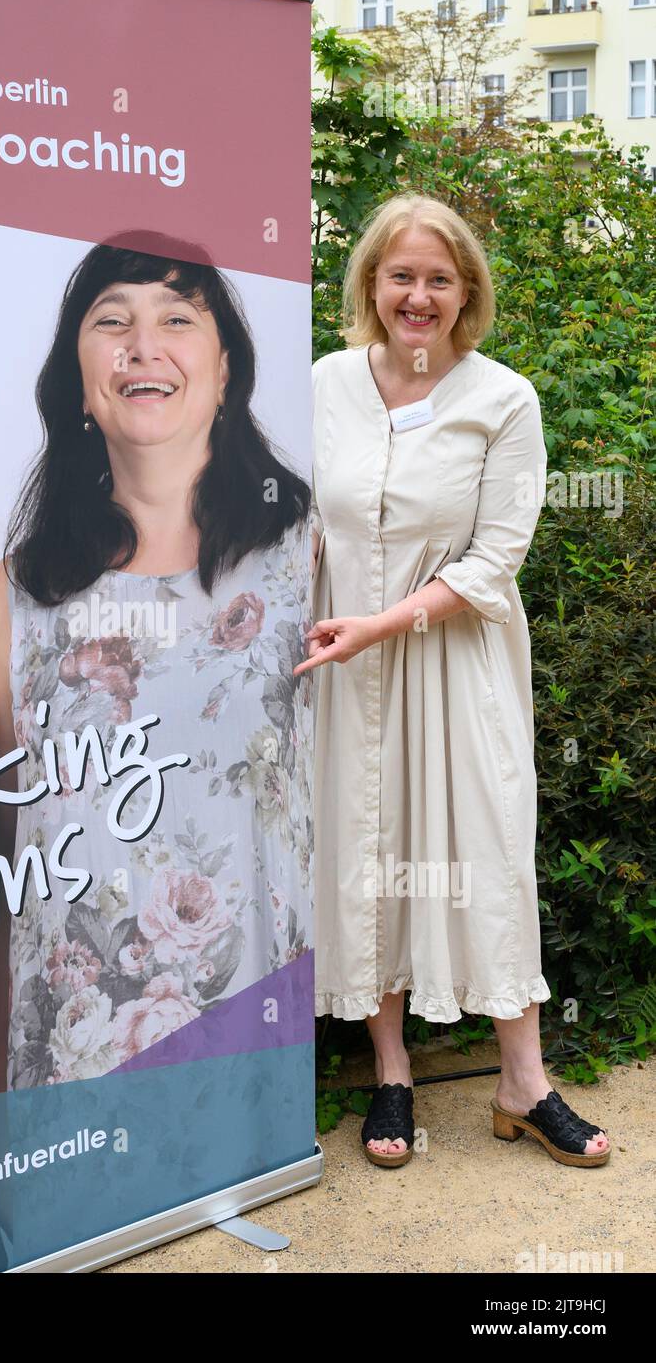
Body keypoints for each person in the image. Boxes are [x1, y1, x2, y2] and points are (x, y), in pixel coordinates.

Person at [297, 193, 611, 1168]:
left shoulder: (502, 399)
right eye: (401, 276)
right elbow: (299, 526)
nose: (417, 296)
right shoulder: (323, 386)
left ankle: (522, 1078)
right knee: (368, 848)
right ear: (370, 285)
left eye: (438, 278)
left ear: (465, 291)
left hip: (454, 669)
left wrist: (378, 624)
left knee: (482, 854)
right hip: (344, 676)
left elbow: (492, 561)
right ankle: (387, 1072)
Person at [0, 233, 314, 1091]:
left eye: (177, 317)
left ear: (227, 367)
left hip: (250, 1050)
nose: (142, 345)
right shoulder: (14, 597)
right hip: (67, 1067)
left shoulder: (307, 555)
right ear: (77, 379)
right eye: (110, 320)